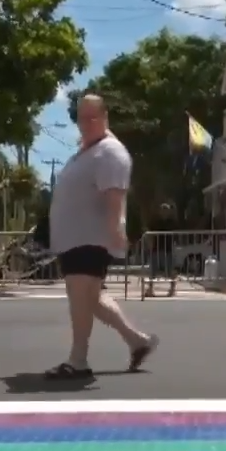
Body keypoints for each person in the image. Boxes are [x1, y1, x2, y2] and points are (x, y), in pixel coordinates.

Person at [45, 94, 157, 379]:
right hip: (75, 238)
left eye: (92, 117)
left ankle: (78, 359)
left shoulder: (109, 151)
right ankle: (138, 341)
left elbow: (115, 195)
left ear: (105, 117)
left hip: (90, 238)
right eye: (81, 118)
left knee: (81, 296)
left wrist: (117, 228)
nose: (85, 123)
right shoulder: (87, 151)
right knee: (91, 298)